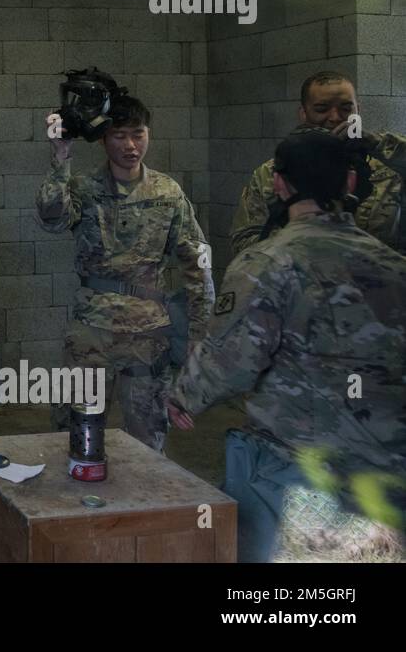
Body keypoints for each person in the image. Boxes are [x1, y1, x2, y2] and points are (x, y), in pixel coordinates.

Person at [169, 128, 406, 561]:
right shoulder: (394, 266)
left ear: (280, 184)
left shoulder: (267, 262)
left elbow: (232, 358)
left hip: (300, 477)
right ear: (350, 184)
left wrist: (185, 396)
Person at [36, 94, 213, 453]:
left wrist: (199, 335)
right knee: (75, 433)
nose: (131, 145)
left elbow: (199, 264)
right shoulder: (84, 189)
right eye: (119, 135)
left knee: (148, 441)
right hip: (91, 335)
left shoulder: (167, 192)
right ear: (103, 139)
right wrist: (60, 157)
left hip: (148, 337)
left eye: (139, 133)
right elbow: (51, 218)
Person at [231, 70, 406, 255]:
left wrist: (376, 143)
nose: (335, 117)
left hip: (378, 278)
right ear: (304, 114)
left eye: (346, 109)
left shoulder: (388, 167)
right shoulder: (274, 172)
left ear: (358, 111)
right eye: (322, 109)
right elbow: (244, 241)